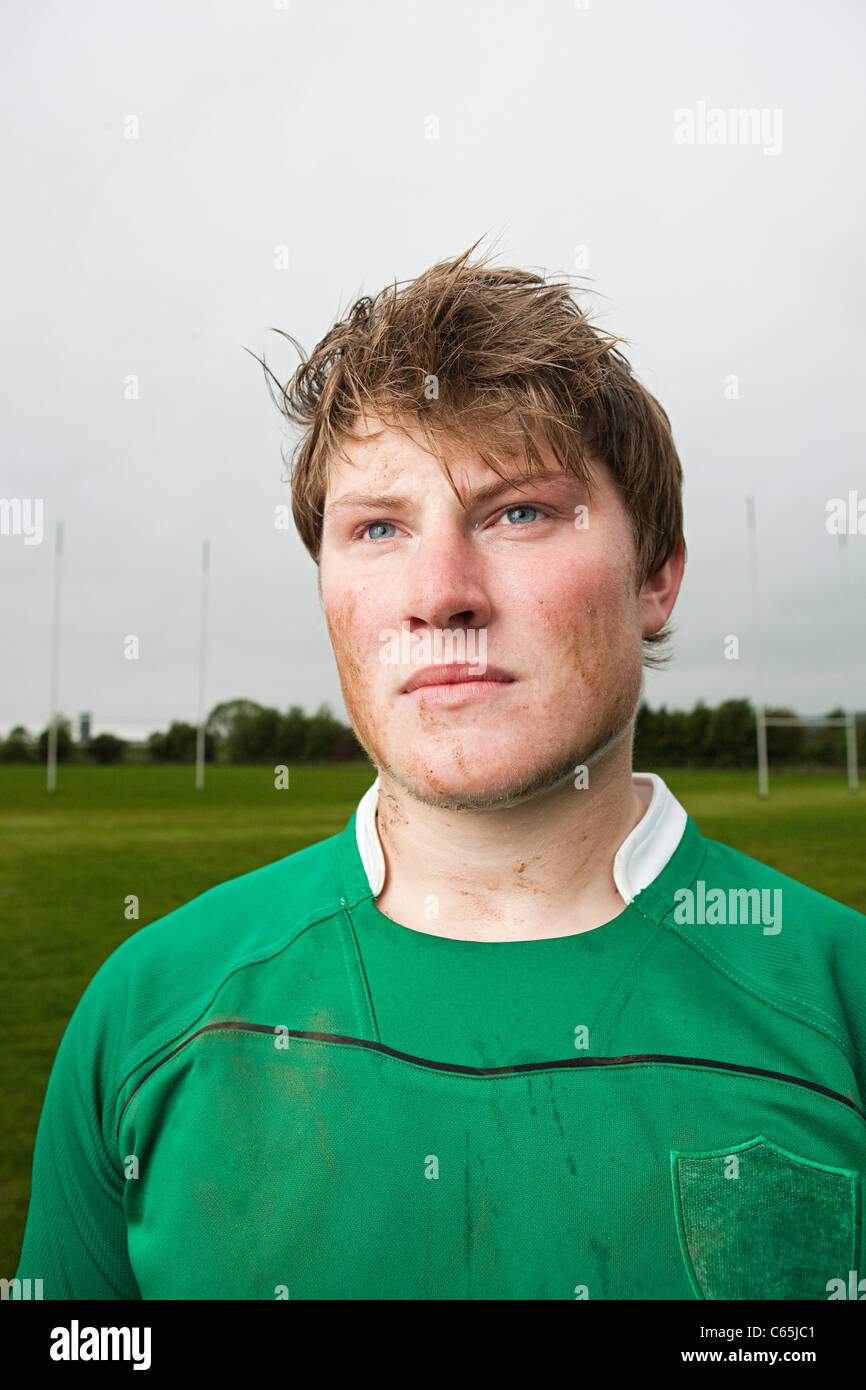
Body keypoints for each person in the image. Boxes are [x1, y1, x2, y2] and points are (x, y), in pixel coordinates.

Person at [15, 244, 866, 1300]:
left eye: (518, 512)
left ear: (654, 575)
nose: (440, 593)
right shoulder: (148, 1012)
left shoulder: (840, 1001)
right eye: (377, 526)